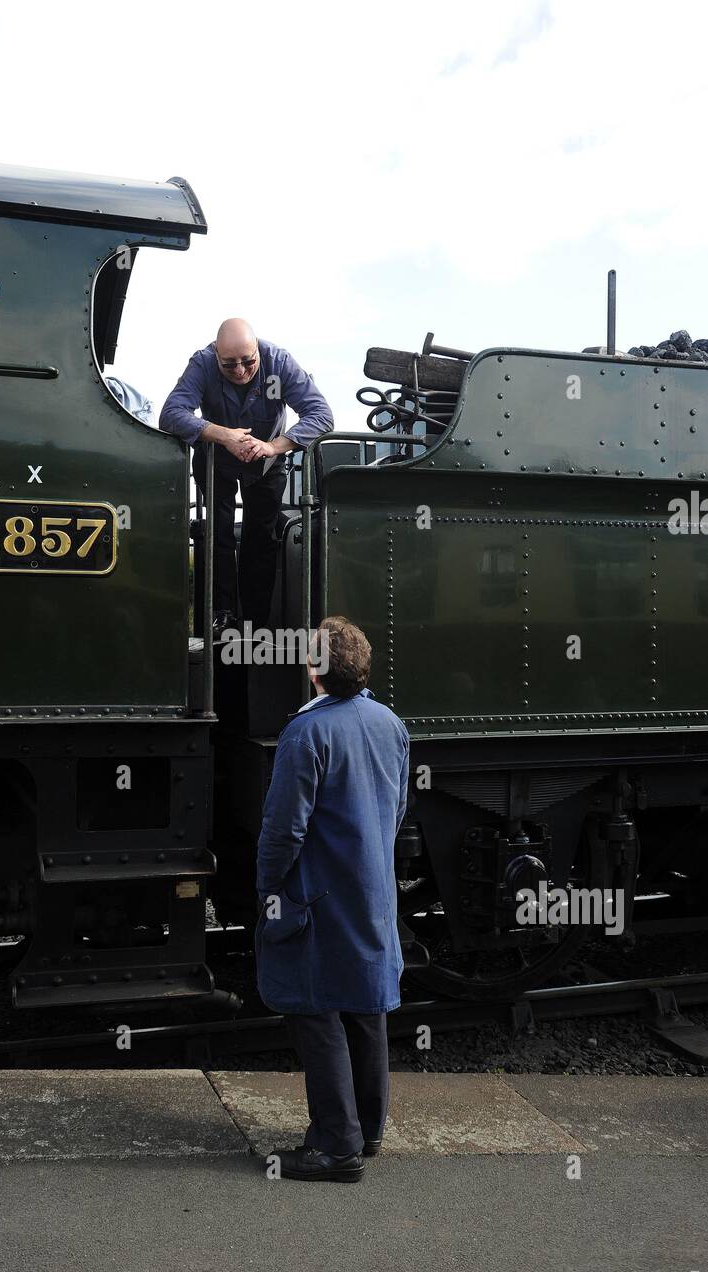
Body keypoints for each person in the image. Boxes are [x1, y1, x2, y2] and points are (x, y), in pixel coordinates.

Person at [255, 617, 410, 1182]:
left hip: (318, 892)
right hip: (370, 887)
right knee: (366, 1004)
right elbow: (395, 814)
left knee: (316, 1008)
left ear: (313, 669)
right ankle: (366, 1131)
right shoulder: (390, 723)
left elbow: (284, 830)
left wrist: (268, 886)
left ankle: (336, 1147)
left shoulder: (306, 733)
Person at [159, 319, 333, 634]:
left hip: (266, 465)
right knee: (218, 534)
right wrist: (223, 435)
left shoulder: (279, 362)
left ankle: (255, 621)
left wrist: (272, 446)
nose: (240, 370)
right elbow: (171, 414)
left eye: (248, 362)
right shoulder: (202, 363)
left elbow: (321, 414)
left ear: (257, 350)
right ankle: (223, 612)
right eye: (229, 364)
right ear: (216, 354)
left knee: (262, 538)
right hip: (216, 464)